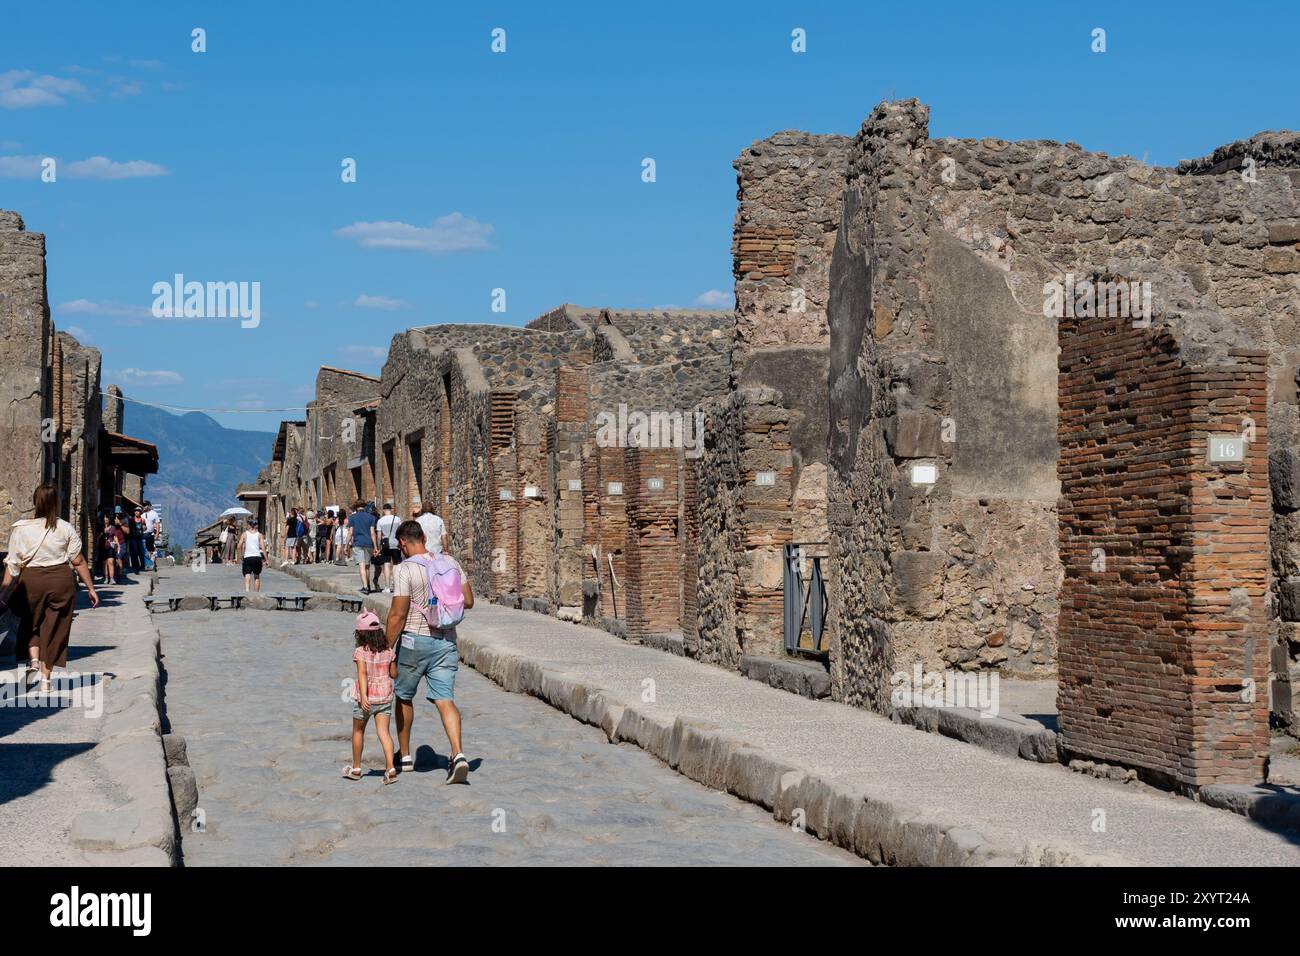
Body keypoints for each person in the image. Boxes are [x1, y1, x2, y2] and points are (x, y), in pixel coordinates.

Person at [386, 519, 473, 784]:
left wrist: (387, 648)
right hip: (446, 641)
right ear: (424, 536)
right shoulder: (451, 562)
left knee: (403, 696)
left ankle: (407, 756)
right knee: (445, 698)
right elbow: (468, 601)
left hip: (415, 640)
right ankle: (457, 754)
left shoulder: (404, 570)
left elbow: (398, 614)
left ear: (402, 543)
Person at [2, 484, 99, 694]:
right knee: (54, 628)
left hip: (32, 581)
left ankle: (34, 660)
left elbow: (13, 564)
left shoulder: (21, 529)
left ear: (35, 502)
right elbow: (78, 560)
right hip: (61, 581)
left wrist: (3, 591)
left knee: (31, 622)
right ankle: (46, 681)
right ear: (57, 503)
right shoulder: (65, 528)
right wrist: (91, 588)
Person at [342, 610, 398, 784]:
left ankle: (356, 768)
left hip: (365, 699)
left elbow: (362, 673)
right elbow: (394, 674)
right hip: (385, 697)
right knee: (384, 733)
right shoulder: (388, 651)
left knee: (358, 731)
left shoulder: (360, 652)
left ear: (360, 633)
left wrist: (364, 697)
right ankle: (390, 768)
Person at [347, 500, 379, 593]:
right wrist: (376, 547)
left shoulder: (352, 517)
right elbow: (373, 533)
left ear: (356, 507)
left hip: (358, 543)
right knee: (367, 566)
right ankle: (368, 585)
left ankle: (365, 587)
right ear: (364, 507)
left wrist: (346, 545)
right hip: (368, 543)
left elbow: (350, 532)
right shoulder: (371, 517)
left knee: (361, 565)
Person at [375, 503, 401, 593]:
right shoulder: (397, 519)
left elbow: (378, 536)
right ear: (391, 509)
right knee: (396, 564)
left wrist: (378, 548)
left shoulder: (380, 521)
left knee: (386, 564)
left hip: (385, 544)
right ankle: (396, 584)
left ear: (383, 510)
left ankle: (387, 587)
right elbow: (400, 532)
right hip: (396, 544)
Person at [238, 519, 265, 592]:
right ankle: (256, 594)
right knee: (257, 576)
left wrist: (241, 555)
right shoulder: (260, 535)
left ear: (249, 525)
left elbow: (238, 546)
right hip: (257, 557)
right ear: (256, 526)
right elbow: (263, 548)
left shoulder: (244, 534)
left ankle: (247, 591)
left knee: (247, 574)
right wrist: (266, 559)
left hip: (247, 557)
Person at [99, 515, 118, 585]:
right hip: (102, 546)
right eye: (104, 520)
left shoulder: (113, 527)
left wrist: (117, 545)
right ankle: (106, 578)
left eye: (107, 520)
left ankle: (112, 578)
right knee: (105, 563)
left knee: (111, 561)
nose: (105, 521)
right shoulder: (100, 527)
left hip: (110, 546)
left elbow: (115, 536)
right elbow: (97, 537)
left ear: (109, 520)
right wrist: (103, 532)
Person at [142, 500, 161, 568]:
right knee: (144, 550)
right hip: (142, 534)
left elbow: (157, 524)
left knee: (151, 550)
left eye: (145, 505)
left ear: (149, 506)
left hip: (151, 534)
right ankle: (147, 564)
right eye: (143, 505)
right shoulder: (141, 514)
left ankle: (152, 563)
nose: (143, 506)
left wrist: (157, 535)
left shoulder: (154, 513)